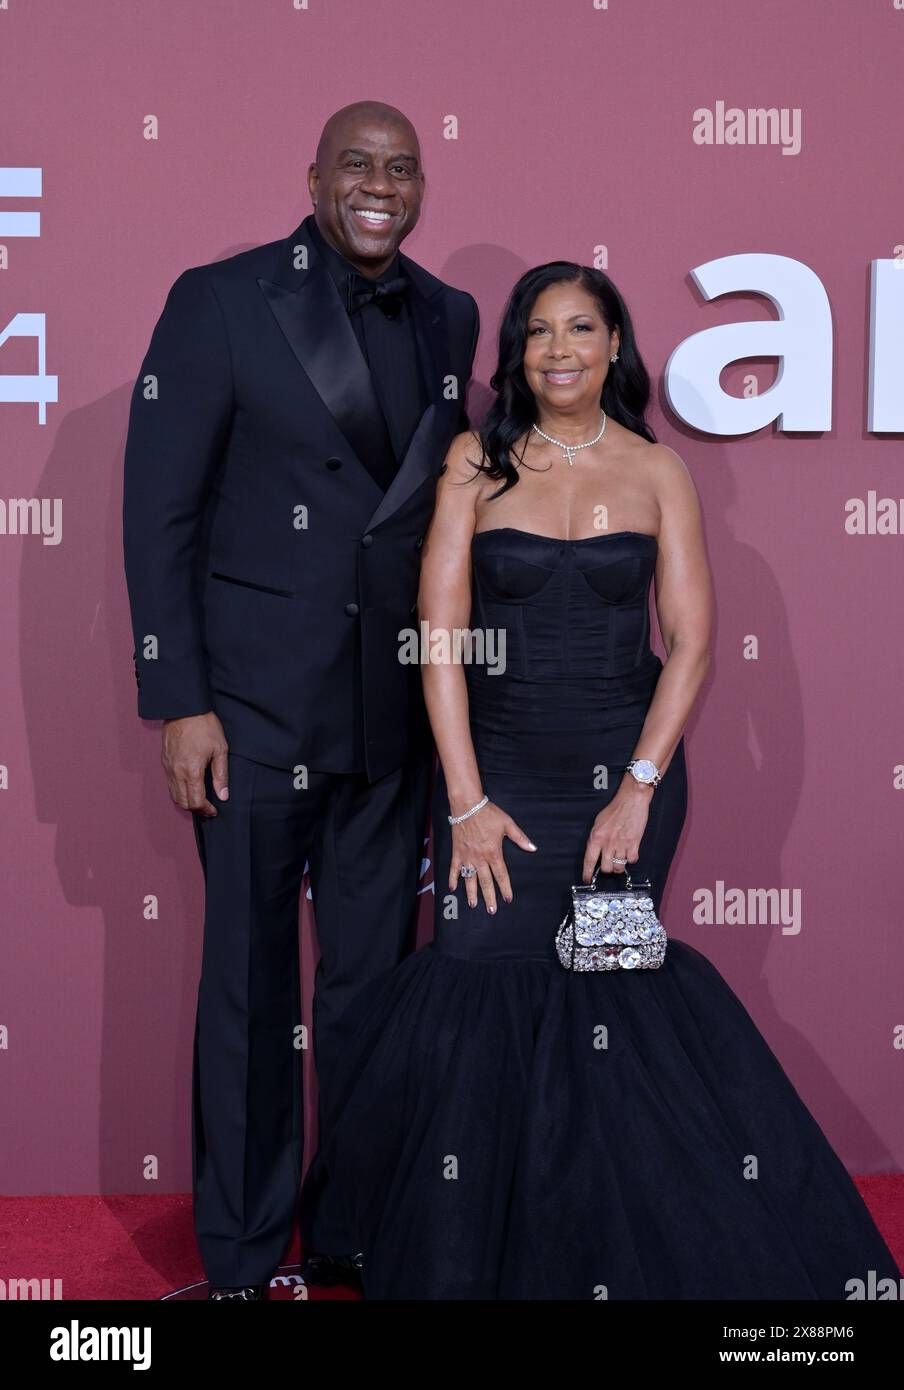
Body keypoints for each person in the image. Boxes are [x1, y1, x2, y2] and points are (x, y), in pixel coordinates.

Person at [299, 261, 902, 1299]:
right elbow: (437, 642)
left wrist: (637, 788)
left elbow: (697, 647)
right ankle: (474, 1257)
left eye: (581, 328)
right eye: (538, 332)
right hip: (495, 778)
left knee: (610, 998)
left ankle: (608, 1256)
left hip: (627, 774)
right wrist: (465, 804)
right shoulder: (469, 466)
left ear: (616, 344)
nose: (560, 350)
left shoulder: (657, 471)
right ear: (514, 353)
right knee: (478, 979)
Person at [122, 101, 479, 1300]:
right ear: (314, 177)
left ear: (421, 185)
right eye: (357, 165)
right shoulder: (219, 298)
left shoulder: (449, 313)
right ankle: (236, 1255)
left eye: (400, 168)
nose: (379, 186)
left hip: (387, 724)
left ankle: (353, 1234)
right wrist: (180, 700)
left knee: (373, 991)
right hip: (254, 714)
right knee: (249, 991)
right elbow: (158, 510)